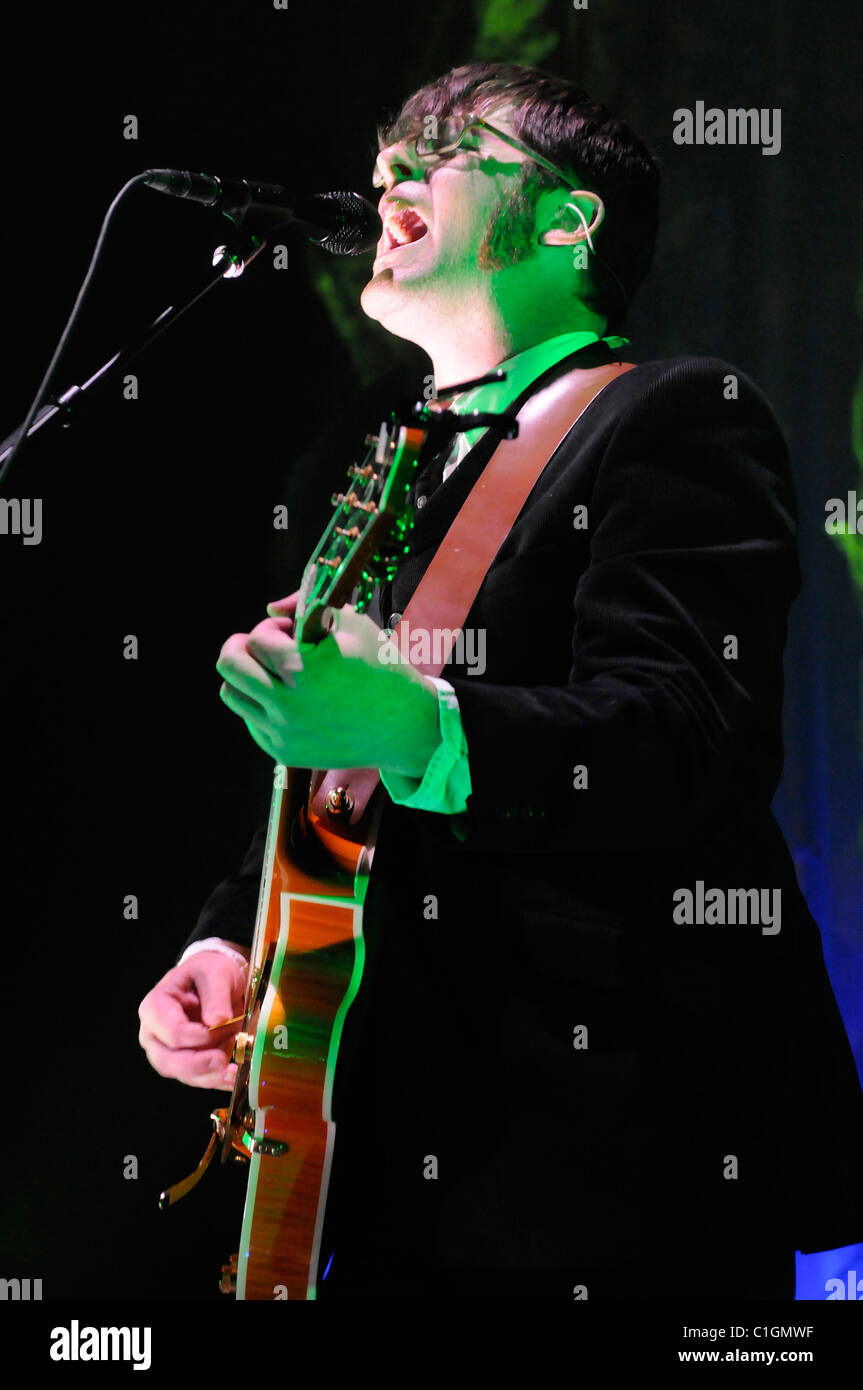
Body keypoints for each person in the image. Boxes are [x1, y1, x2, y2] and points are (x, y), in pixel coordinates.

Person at [138, 61, 863, 1300]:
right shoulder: (389, 462)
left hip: (597, 1155)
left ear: (568, 222)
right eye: (385, 155)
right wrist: (234, 940)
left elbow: (685, 736)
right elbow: (347, 779)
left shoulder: (674, 416)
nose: (388, 172)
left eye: (444, 147)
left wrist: (418, 720)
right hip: (382, 1150)